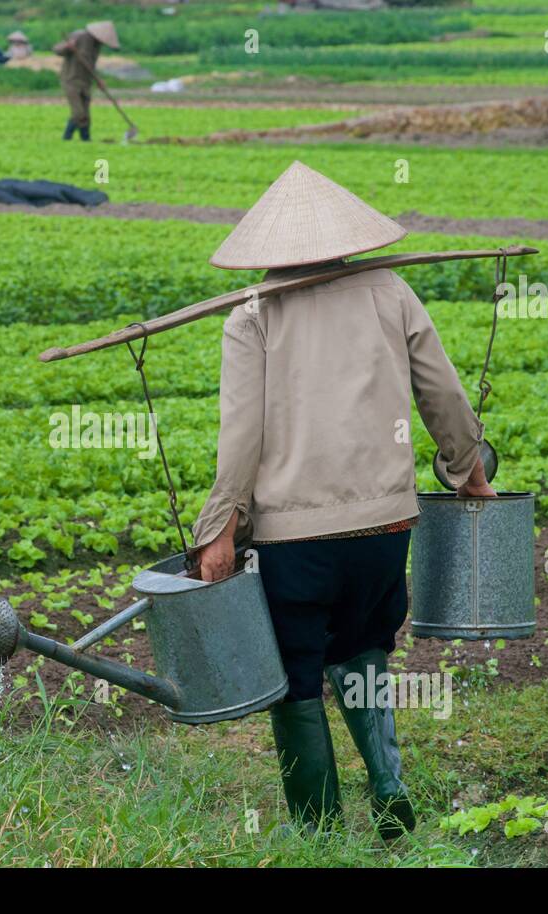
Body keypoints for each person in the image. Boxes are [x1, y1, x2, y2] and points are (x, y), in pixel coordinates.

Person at [189, 161, 497, 840]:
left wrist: (219, 529)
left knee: (297, 677)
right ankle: (389, 790)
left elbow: (240, 437)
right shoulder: (392, 292)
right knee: (363, 647)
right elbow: (442, 396)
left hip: (294, 541)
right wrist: (468, 469)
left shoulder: (252, 316)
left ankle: (319, 838)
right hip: (385, 527)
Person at [52, 20, 119, 141]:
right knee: (78, 113)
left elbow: (90, 64)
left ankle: (86, 140)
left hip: (86, 81)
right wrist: (67, 47)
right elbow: (56, 49)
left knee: (86, 116)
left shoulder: (96, 45)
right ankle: (66, 138)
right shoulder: (79, 36)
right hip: (70, 80)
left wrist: (98, 79)